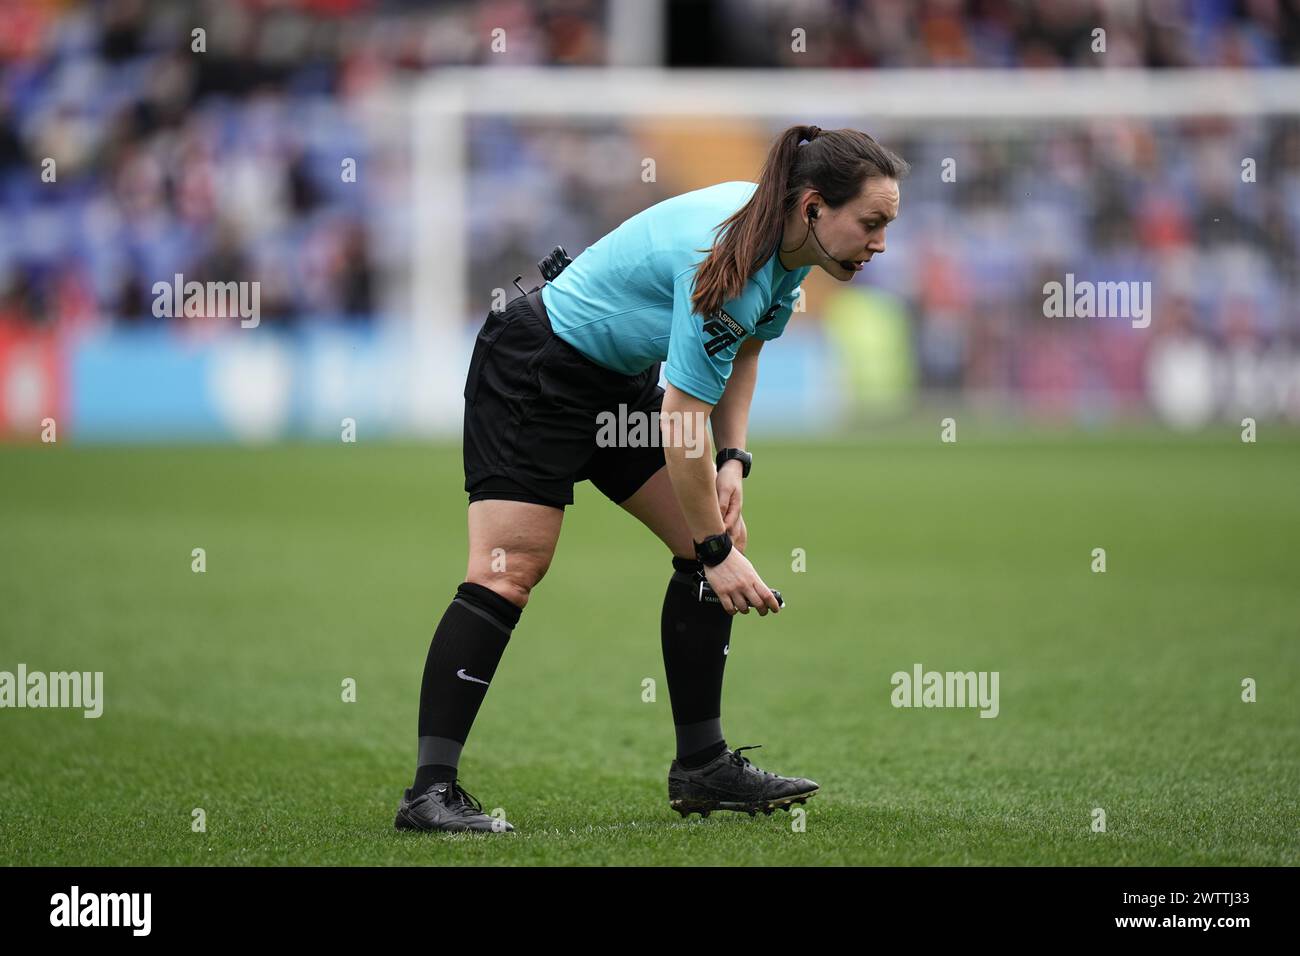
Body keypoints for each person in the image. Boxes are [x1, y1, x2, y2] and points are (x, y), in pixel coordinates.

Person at [394, 124, 908, 833]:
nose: (881, 242)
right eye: (872, 223)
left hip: (613, 380)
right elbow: (682, 418)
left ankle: (702, 766)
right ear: (816, 205)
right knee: (510, 569)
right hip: (536, 369)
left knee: (710, 537)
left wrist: (735, 462)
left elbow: (747, 350)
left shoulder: (788, 243)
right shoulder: (723, 255)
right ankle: (429, 793)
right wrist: (718, 554)